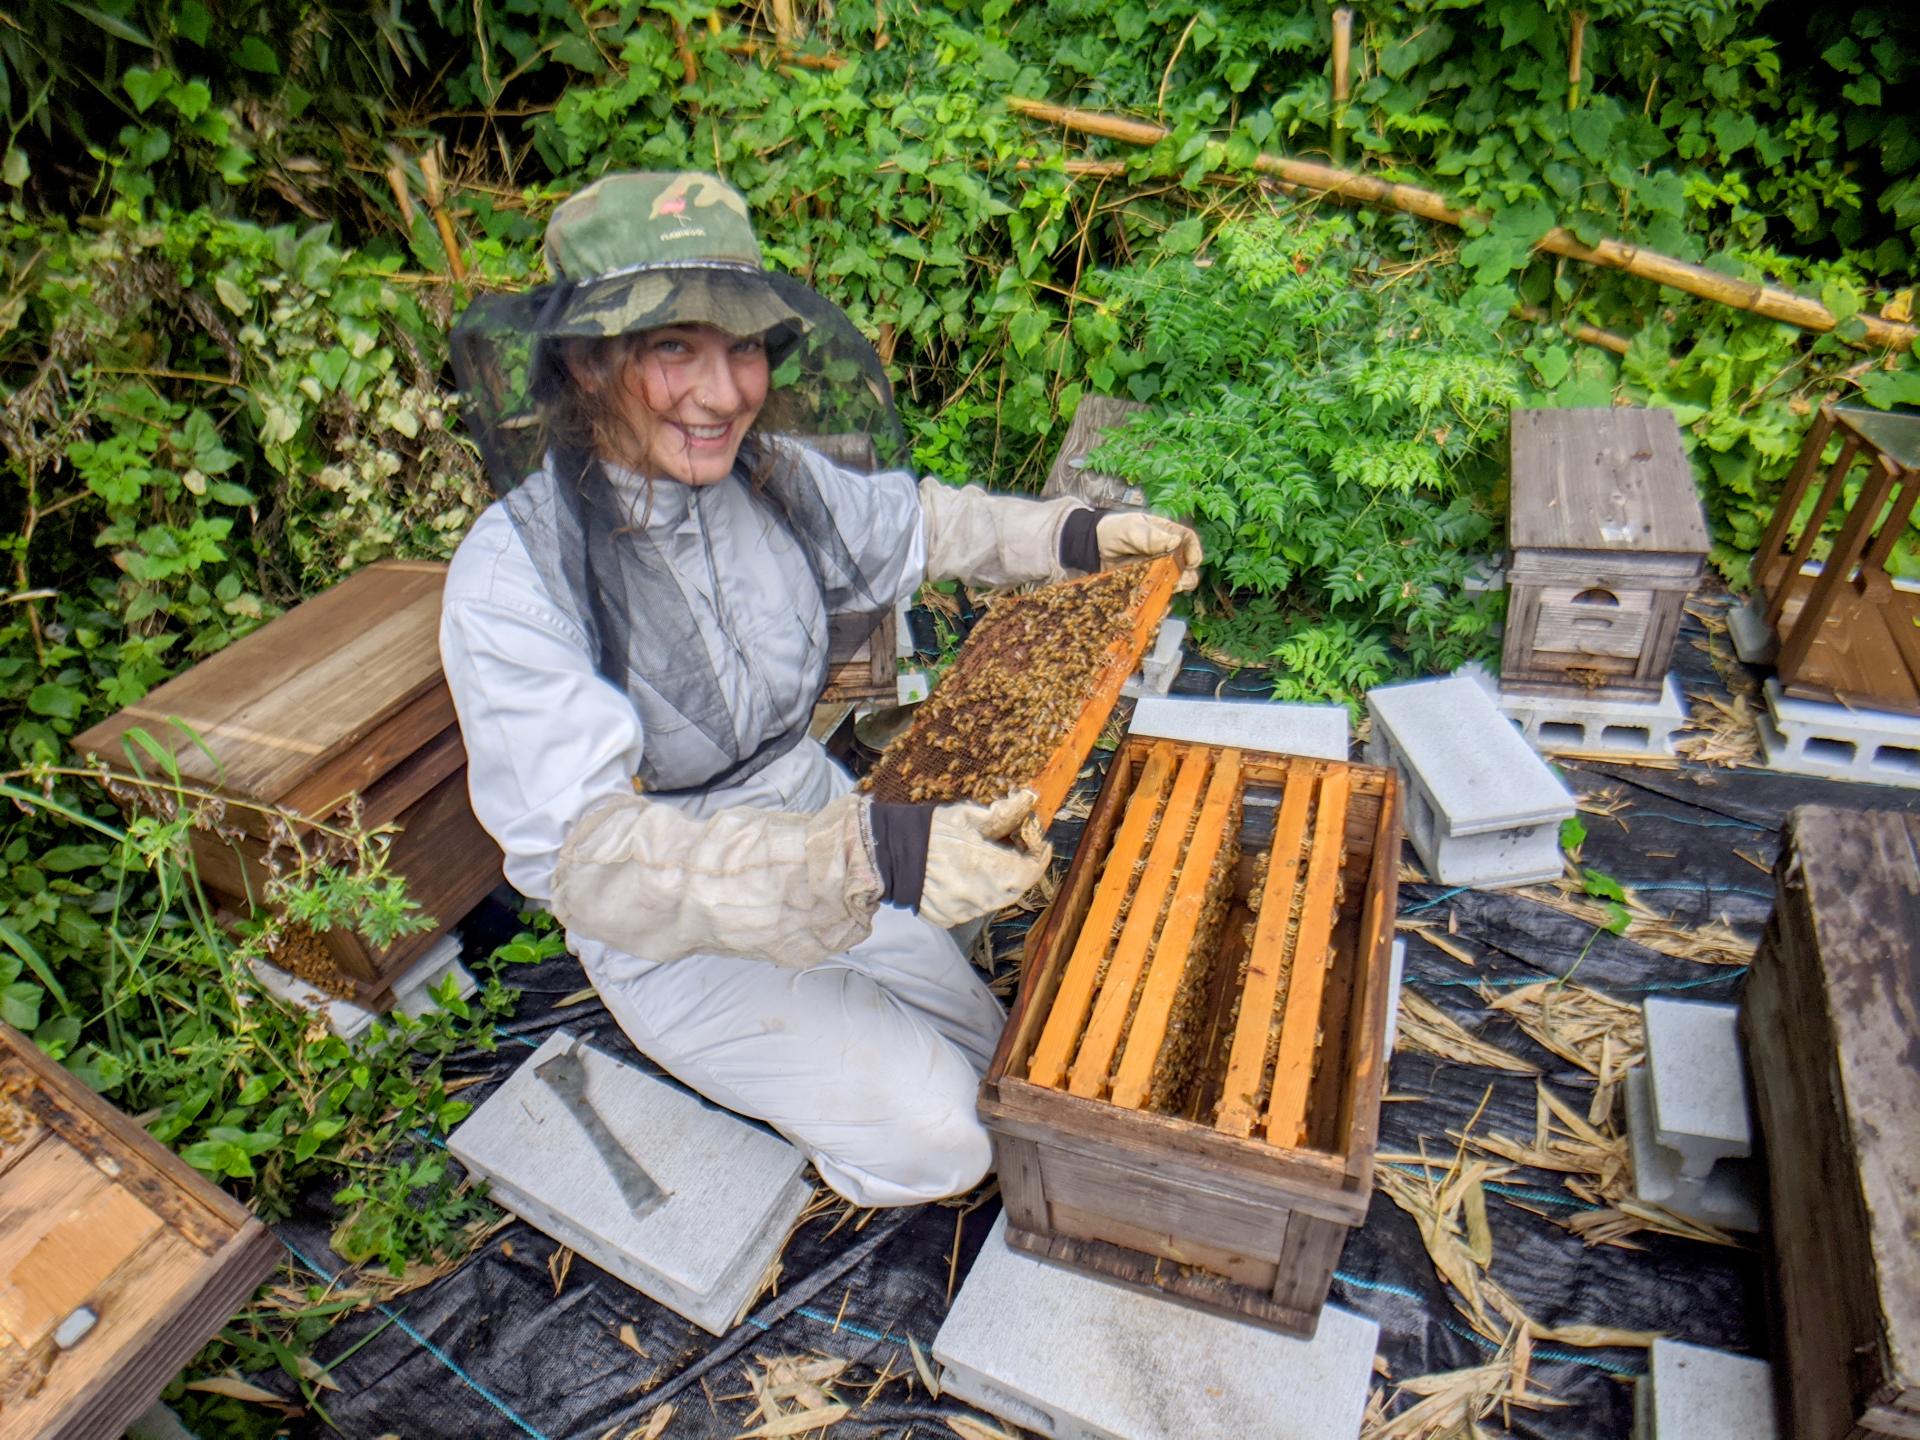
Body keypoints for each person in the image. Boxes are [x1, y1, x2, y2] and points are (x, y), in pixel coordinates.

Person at [442, 171, 1202, 1208]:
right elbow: (590, 861)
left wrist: (1075, 535)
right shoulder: (514, 577)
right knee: (947, 1143)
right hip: (670, 924)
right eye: (674, 349)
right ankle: (766, 1151)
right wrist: (862, 857)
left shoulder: (770, 476)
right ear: (583, 361)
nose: (724, 393)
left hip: (812, 807)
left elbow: (922, 526)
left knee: (992, 1053)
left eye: (742, 346)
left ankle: (839, 1046)